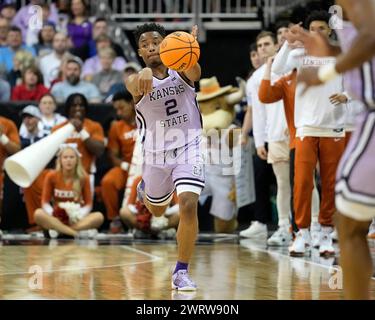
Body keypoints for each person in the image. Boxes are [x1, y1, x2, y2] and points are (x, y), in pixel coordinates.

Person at [290, 0, 375, 300]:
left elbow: (370, 39)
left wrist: (325, 72)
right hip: (349, 121)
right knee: (351, 225)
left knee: (349, 225)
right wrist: (331, 53)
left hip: (365, 120)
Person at [125, 23, 204, 291]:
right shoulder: (136, 79)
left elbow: (195, 71)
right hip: (156, 154)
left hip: (189, 145)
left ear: (166, 43)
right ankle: (145, 189)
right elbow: (134, 84)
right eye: (145, 44)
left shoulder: (182, 70)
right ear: (139, 52)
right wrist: (144, 73)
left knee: (188, 203)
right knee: (157, 210)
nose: (151, 46)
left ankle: (181, 270)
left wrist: (191, 52)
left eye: (155, 41)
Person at [34, 145, 104, 238]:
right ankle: (75, 233)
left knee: (99, 216)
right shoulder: (51, 176)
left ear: (77, 160)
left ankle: (59, 231)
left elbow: (88, 204)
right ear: (60, 160)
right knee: (38, 213)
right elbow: (44, 202)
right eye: (65, 157)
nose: (68, 160)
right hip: (56, 218)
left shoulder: (84, 177)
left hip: (76, 217)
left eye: (72, 157)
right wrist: (53, 214)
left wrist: (77, 215)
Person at [100, 91, 137, 233]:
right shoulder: (116, 126)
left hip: (149, 166)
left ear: (132, 104)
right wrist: (125, 165)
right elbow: (112, 155)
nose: (119, 112)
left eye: (122, 108)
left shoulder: (147, 120)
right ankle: (115, 219)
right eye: (116, 109)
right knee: (108, 181)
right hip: (126, 167)